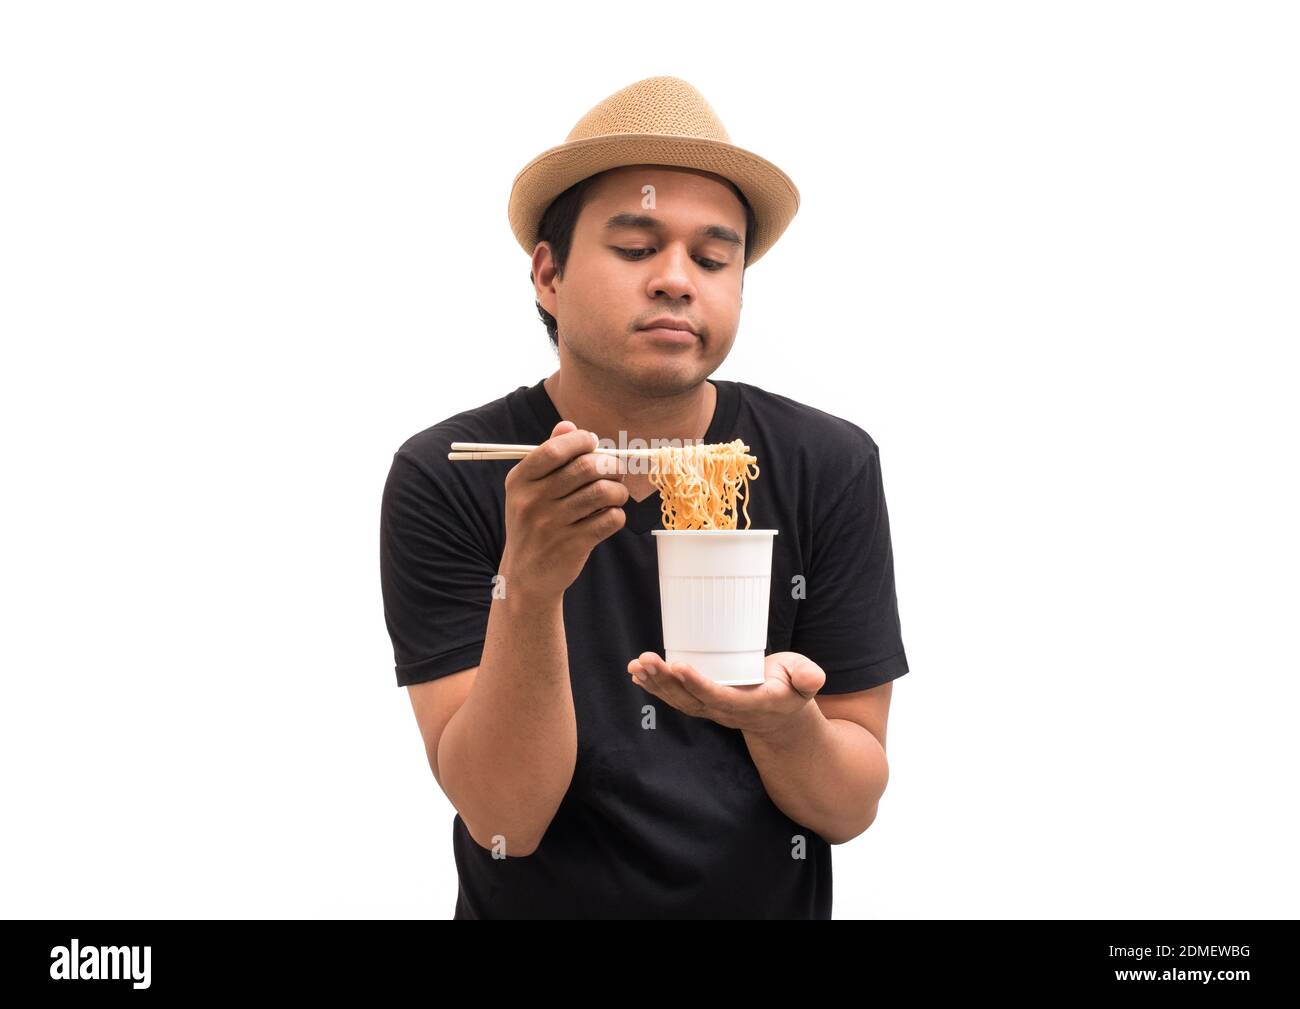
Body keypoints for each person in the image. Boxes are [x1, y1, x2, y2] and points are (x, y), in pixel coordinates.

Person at [379, 76, 909, 919]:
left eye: (711, 257)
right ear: (547, 275)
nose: (676, 280)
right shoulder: (450, 473)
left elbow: (848, 808)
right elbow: (505, 818)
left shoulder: (826, 463)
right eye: (635, 248)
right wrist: (532, 580)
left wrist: (781, 723)